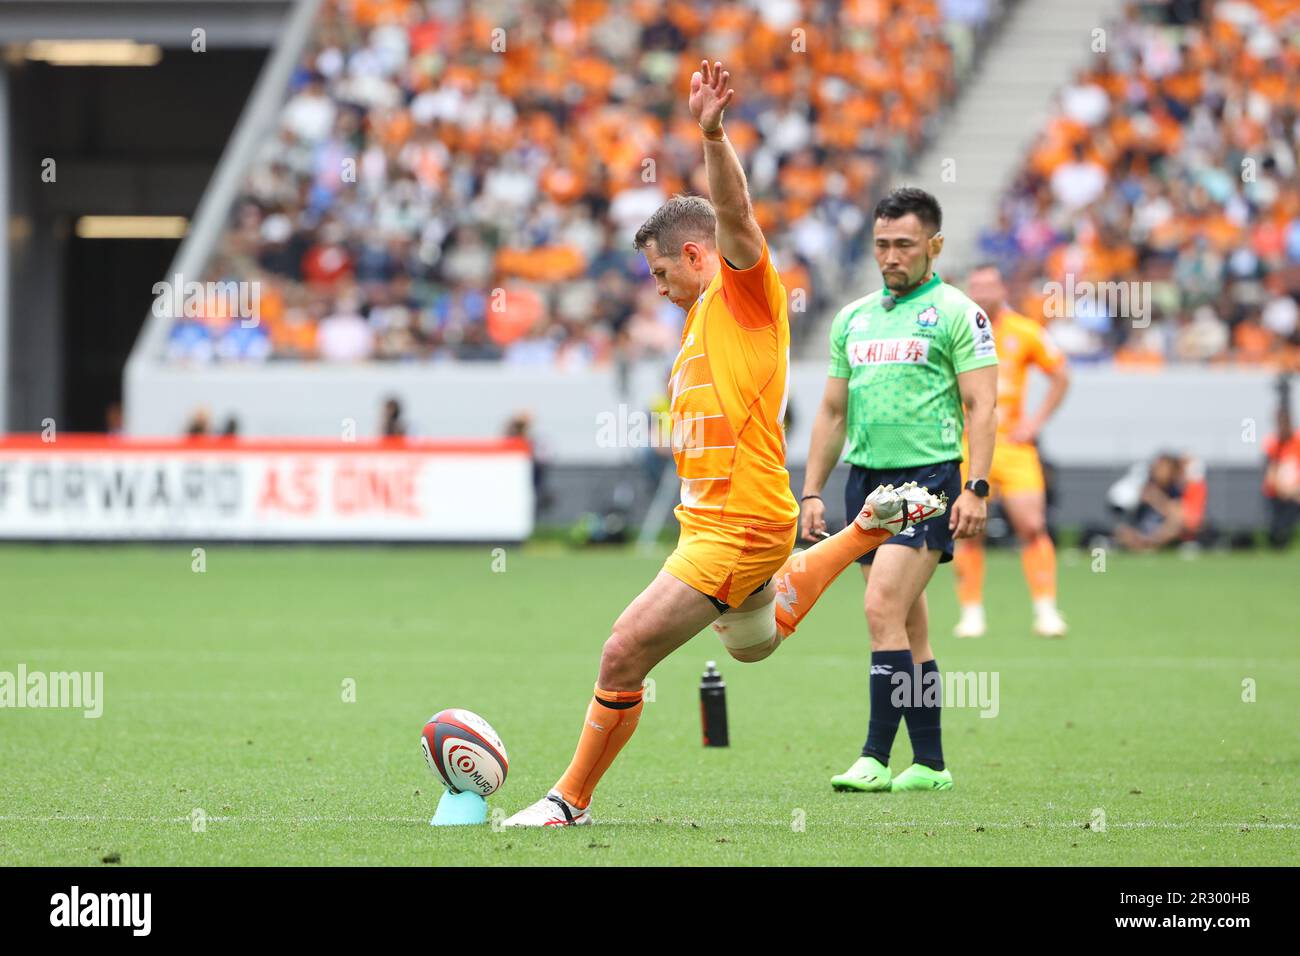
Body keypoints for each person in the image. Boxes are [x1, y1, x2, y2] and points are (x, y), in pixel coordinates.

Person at [503, 62, 946, 828]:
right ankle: (862, 532)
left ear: (698, 256)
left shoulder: (741, 294)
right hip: (728, 520)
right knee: (752, 644)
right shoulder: (696, 330)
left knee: (622, 653)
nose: (656, 284)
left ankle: (566, 801)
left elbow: (736, 214)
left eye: (660, 269)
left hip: (736, 526)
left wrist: (711, 134)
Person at [800, 187, 999, 794]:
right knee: (909, 628)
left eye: (904, 245)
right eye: (882, 244)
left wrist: (977, 487)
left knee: (880, 608)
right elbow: (832, 412)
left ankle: (874, 757)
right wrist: (811, 492)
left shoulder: (961, 313)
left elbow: (982, 404)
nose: (891, 256)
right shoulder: (852, 318)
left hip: (929, 483)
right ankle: (932, 765)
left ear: (934, 245)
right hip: (865, 485)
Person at [951, 263, 1071, 638]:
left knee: (1032, 524)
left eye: (989, 285)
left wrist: (1035, 422)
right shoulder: (955, 331)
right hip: (968, 445)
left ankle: (1046, 610)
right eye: (976, 287)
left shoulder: (1025, 330)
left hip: (1013, 445)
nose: (983, 293)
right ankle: (971, 612)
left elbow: (1061, 375)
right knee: (967, 529)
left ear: (1002, 287)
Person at [1262, 375, 1299, 549]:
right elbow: (1271, 474)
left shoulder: (1297, 443)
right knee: (1278, 527)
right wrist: (1282, 490)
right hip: (1279, 494)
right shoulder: (1273, 445)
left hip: (1295, 493)